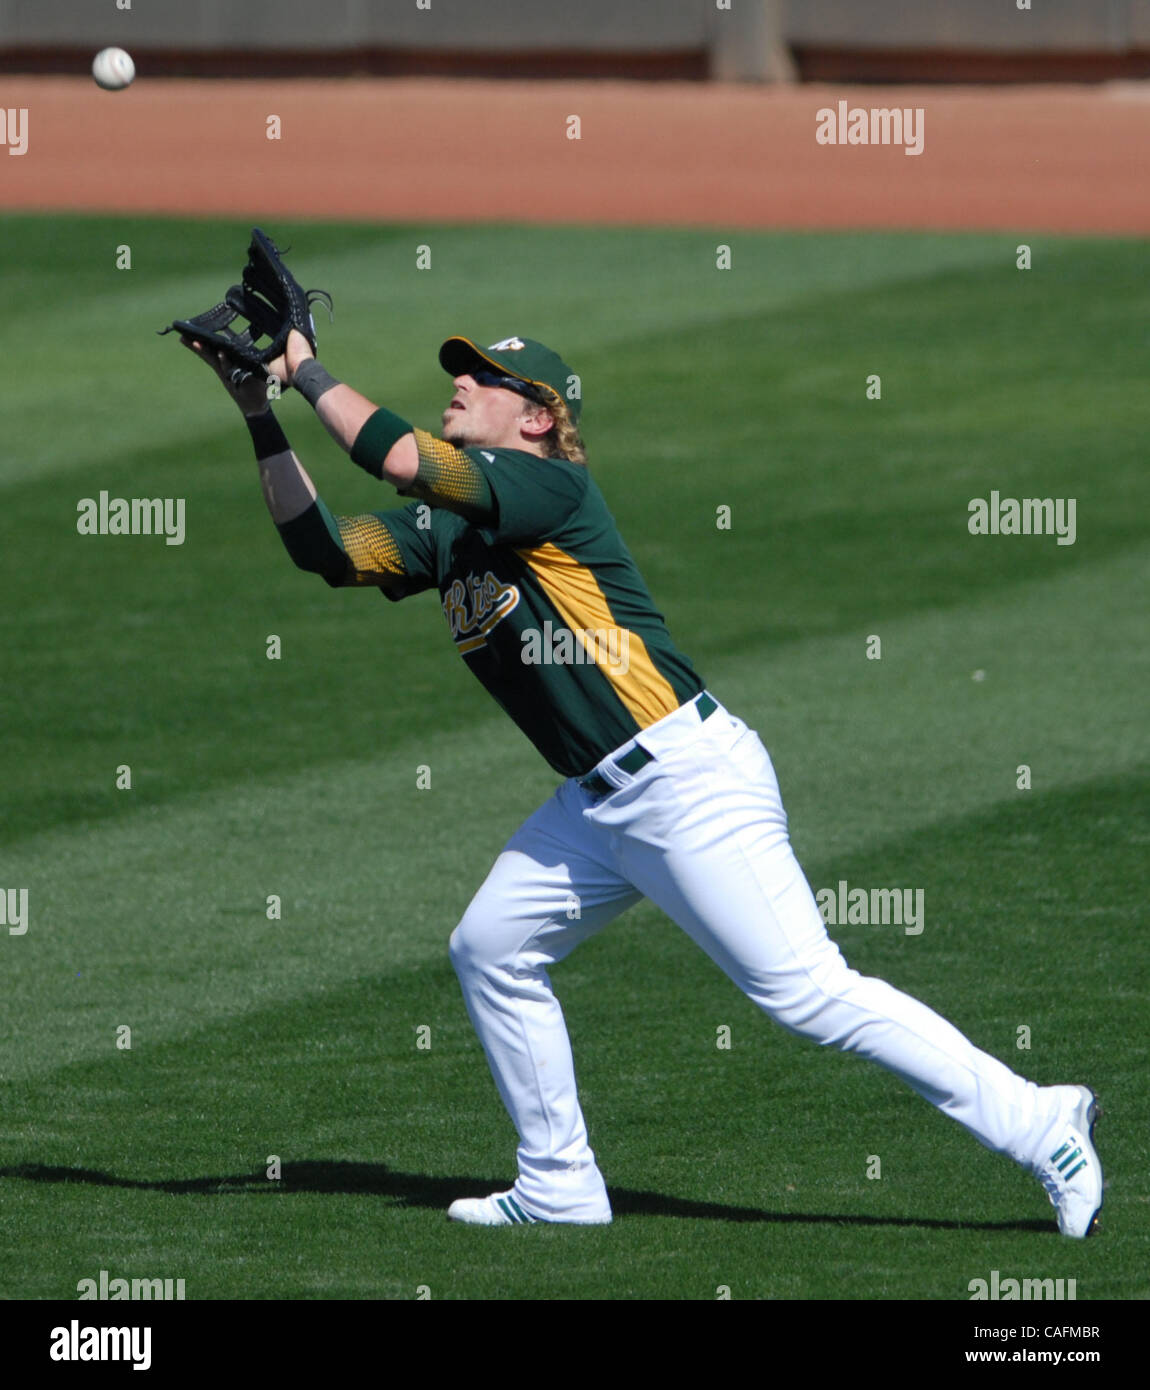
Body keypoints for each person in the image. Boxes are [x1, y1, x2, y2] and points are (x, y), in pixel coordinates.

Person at [182, 327, 1103, 1236]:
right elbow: (328, 552)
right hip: (595, 804)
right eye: (461, 373)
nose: (460, 384)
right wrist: (261, 412)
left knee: (808, 992)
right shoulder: (452, 529)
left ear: (540, 420)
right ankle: (559, 1185)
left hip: (685, 779)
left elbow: (394, 458)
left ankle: (1038, 1120)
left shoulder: (546, 488)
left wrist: (306, 368)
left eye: (485, 379)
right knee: (492, 949)